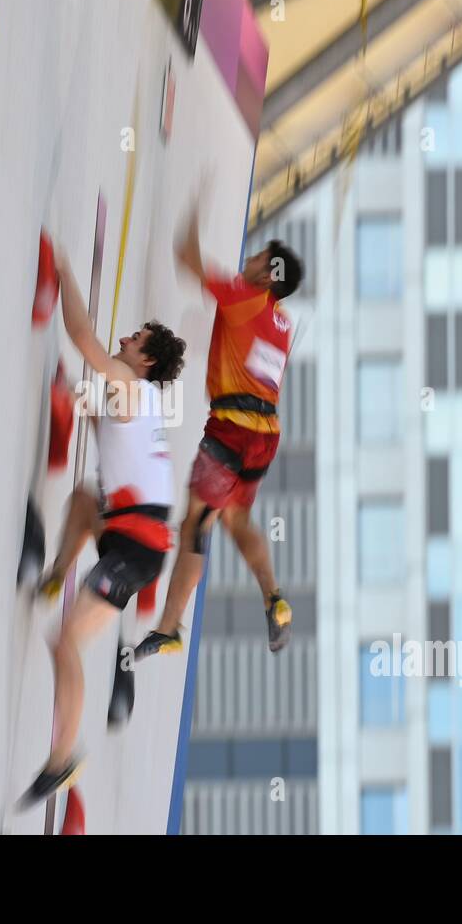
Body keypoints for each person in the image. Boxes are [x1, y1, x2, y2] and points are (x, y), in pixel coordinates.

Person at [18, 244, 186, 808]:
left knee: (65, 641)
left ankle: (61, 758)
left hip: (136, 551)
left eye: (135, 339)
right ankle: (58, 572)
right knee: (85, 500)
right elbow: (115, 435)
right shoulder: (142, 402)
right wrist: (75, 404)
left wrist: (65, 268)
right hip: (130, 531)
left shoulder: (129, 383)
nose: (124, 340)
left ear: (144, 360)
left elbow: (83, 336)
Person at [135, 191, 304, 661]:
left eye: (259, 256)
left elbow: (185, 255)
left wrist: (193, 205)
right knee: (236, 518)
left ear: (270, 274)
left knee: (196, 523)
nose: (248, 258)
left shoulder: (247, 297)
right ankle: (274, 598)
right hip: (265, 436)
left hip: (232, 430)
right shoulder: (283, 322)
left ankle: (168, 627)